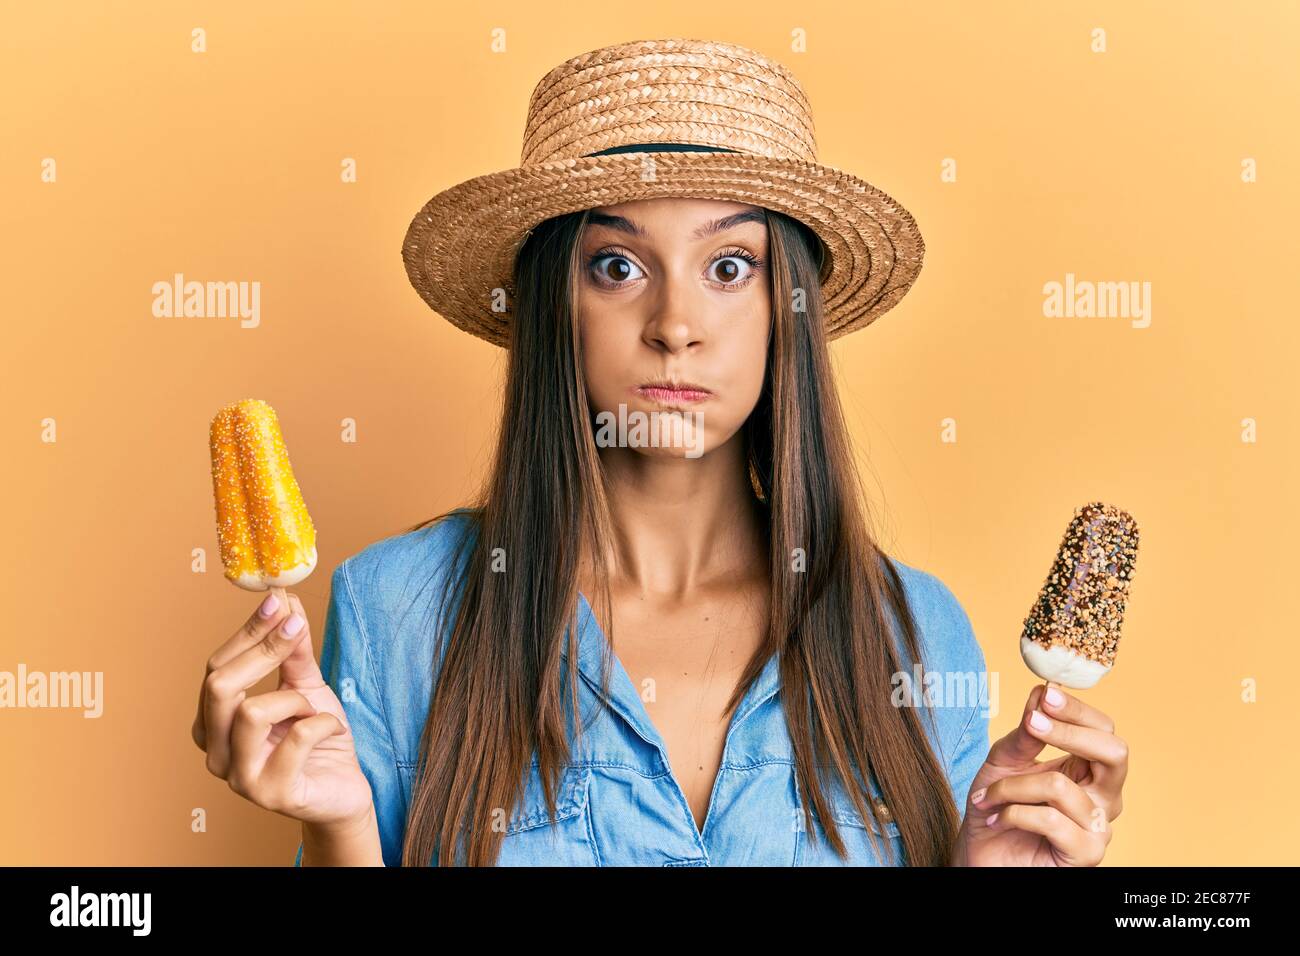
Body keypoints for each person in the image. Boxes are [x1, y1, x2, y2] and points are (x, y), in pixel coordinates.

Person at [193, 38, 1128, 867]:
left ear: (784, 310)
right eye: (617, 266)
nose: (675, 325)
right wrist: (340, 832)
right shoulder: (397, 609)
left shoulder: (916, 635)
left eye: (729, 268)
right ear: (556, 306)